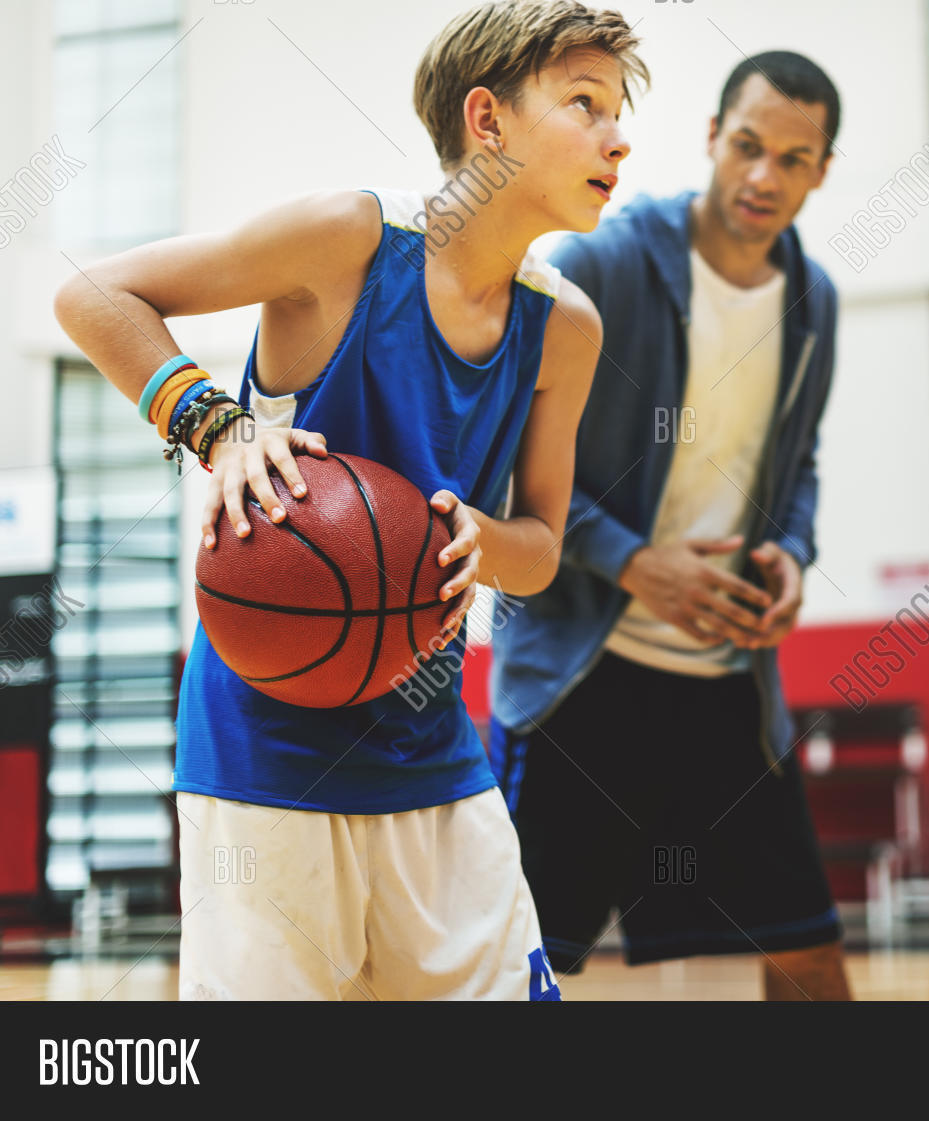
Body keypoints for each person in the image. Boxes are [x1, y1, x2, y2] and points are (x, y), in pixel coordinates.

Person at [52, 0, 646, 1001]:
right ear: (488, 120)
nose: (617, 135)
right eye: (586, 102)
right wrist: (220, 426)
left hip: (429, 741)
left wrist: (480, 538)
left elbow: (542, 545)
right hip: (262, 742)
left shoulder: (567, 329)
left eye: (620, 110)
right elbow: (93, 296)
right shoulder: (347, 240)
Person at [490, 51, 850, 999]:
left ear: (822, 169)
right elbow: (502, 468)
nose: (764, 177)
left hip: (727, 688)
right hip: (583, 681)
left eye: (794, 159)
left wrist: (794, 553)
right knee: (515, 968)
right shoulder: (599, 262)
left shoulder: (817, 303)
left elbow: (799, 463)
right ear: (712, 140)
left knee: (808, 960)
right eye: (748, 146)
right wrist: (636, 563)